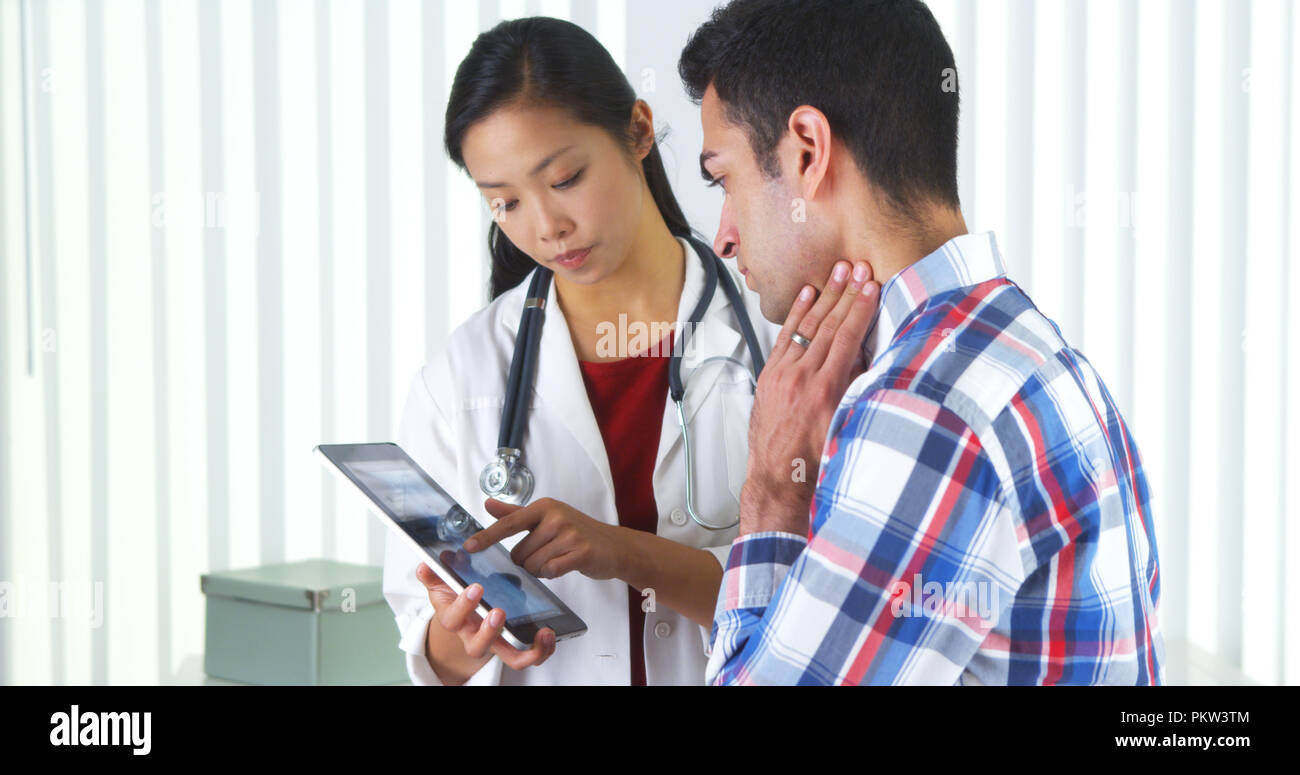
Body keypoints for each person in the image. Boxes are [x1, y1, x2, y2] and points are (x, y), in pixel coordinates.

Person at [678, 0, 1166, 685]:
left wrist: (771, 488)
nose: (724, 234)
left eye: (723, 178)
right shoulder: (1026, 347)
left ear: (808, 153)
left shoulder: (927, 407)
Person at [381, 16, 780, 686]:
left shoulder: (776, 336)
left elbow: (821, 597)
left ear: (639, 131)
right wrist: (468, 636)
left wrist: (621, 551)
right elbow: (429, 652)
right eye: (504, 202)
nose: (544, 226)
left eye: (564, 178)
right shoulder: (463, 375)